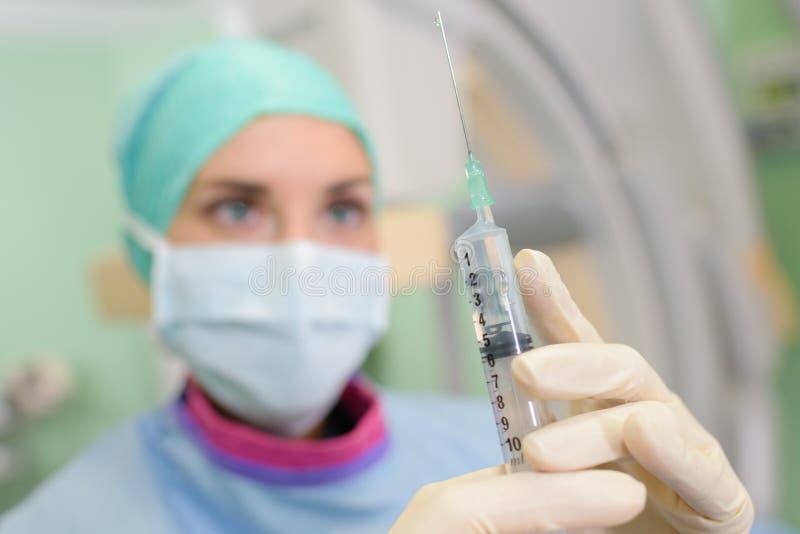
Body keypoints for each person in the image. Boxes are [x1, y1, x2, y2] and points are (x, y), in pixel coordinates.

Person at [0, 38, 778, 533]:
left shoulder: (521, 445)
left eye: (343, 207)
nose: (301, 261)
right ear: (151, 252)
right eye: (237, 207)